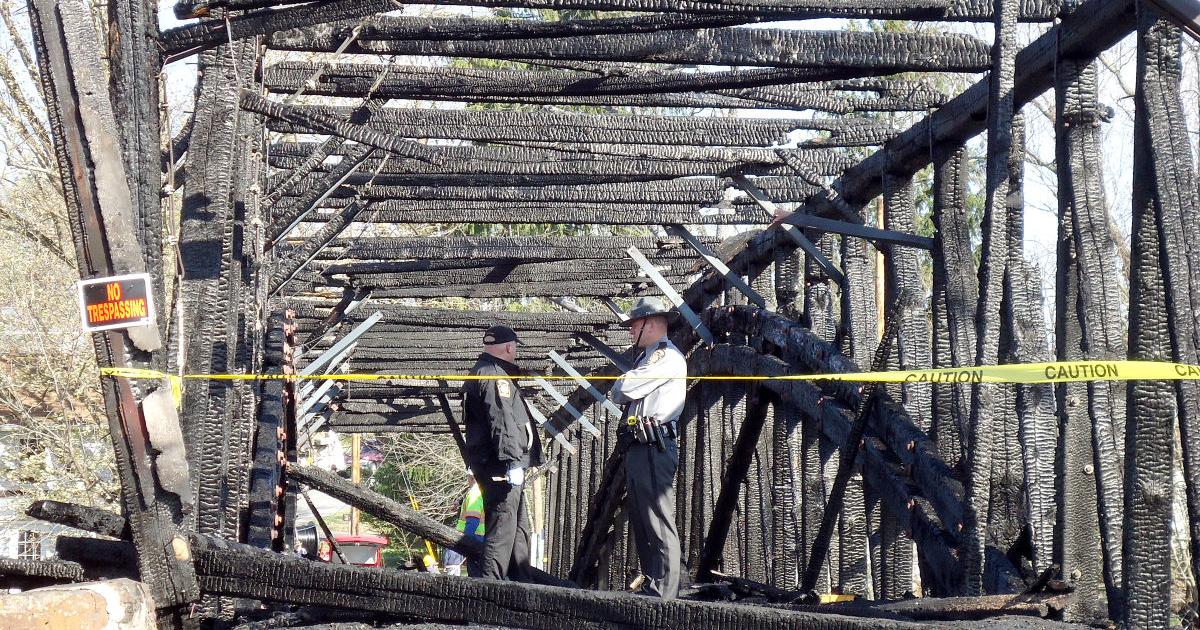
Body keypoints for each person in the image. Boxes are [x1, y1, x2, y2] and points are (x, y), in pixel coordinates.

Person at [610, 297, 686, 599]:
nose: (630, 332)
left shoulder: (665, 357)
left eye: (634, 325)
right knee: (644, 520)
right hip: (640, 445)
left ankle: (665, 592)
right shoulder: (648, 358)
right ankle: (655, 583)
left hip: (654, 445)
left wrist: (622, 383)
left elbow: (624, 389)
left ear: (651, 324)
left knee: (657, 517)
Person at [461, 324, 543, 582]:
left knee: (518, 529)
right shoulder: (494, 376)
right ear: (509, 346)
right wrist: (510, 461)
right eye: (515, 347)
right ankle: (490, 594)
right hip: (499, 465)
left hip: (498, 464)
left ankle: (523, 588)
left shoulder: (485, 372)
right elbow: (502, 421)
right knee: (501, 531)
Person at [443, 472, 485, 577]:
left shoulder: (474, 494)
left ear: (471, 477)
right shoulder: (483, 490)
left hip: (474, 537)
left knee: (475, 576)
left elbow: (472, 521)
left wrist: (465, 543)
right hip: (482, 538)